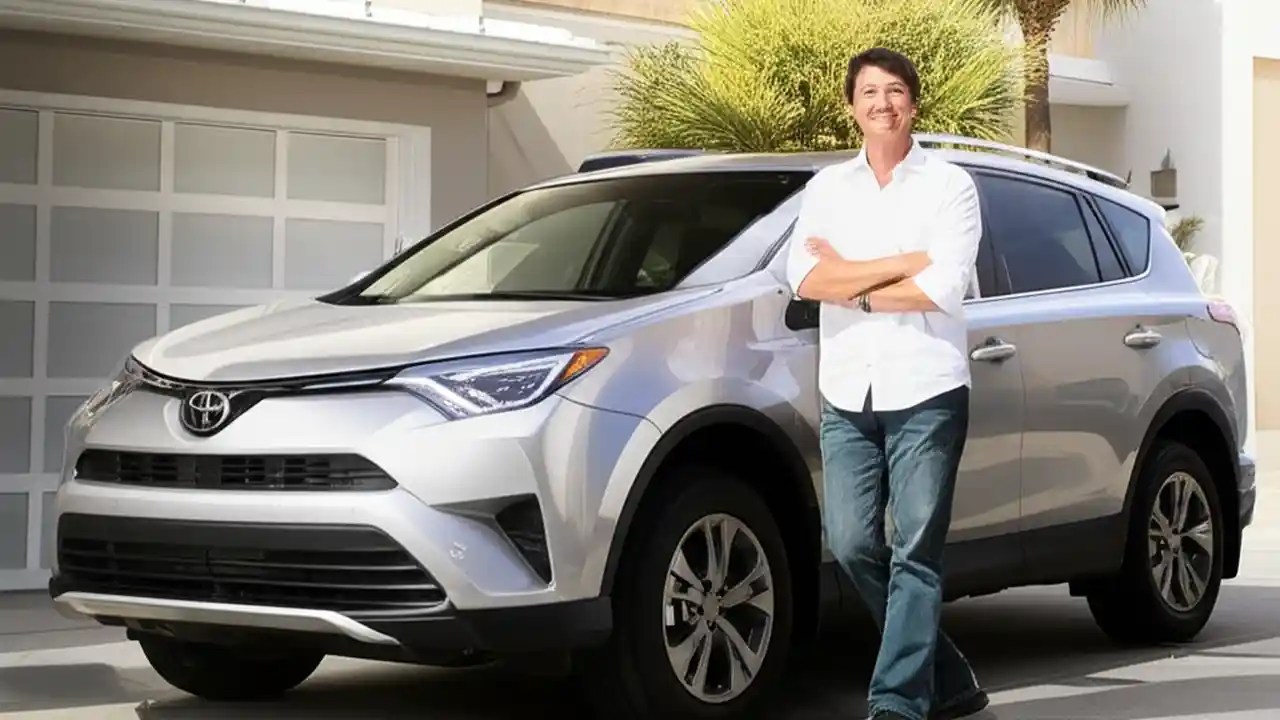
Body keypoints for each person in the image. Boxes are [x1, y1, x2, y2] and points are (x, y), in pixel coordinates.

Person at [785, 47, 990, 720]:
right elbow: (807, 279)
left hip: (926, 390)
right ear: (852, 107)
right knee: (850, 544)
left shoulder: (950, 186)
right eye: (869, 91)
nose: (882, 102)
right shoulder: (826, 190)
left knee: (917, 553)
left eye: (895, 90)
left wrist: (856, 280)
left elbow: (941, 288)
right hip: (848, 391)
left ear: (914, 102)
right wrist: (899, 262)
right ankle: (949, 677)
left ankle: (897, 703)